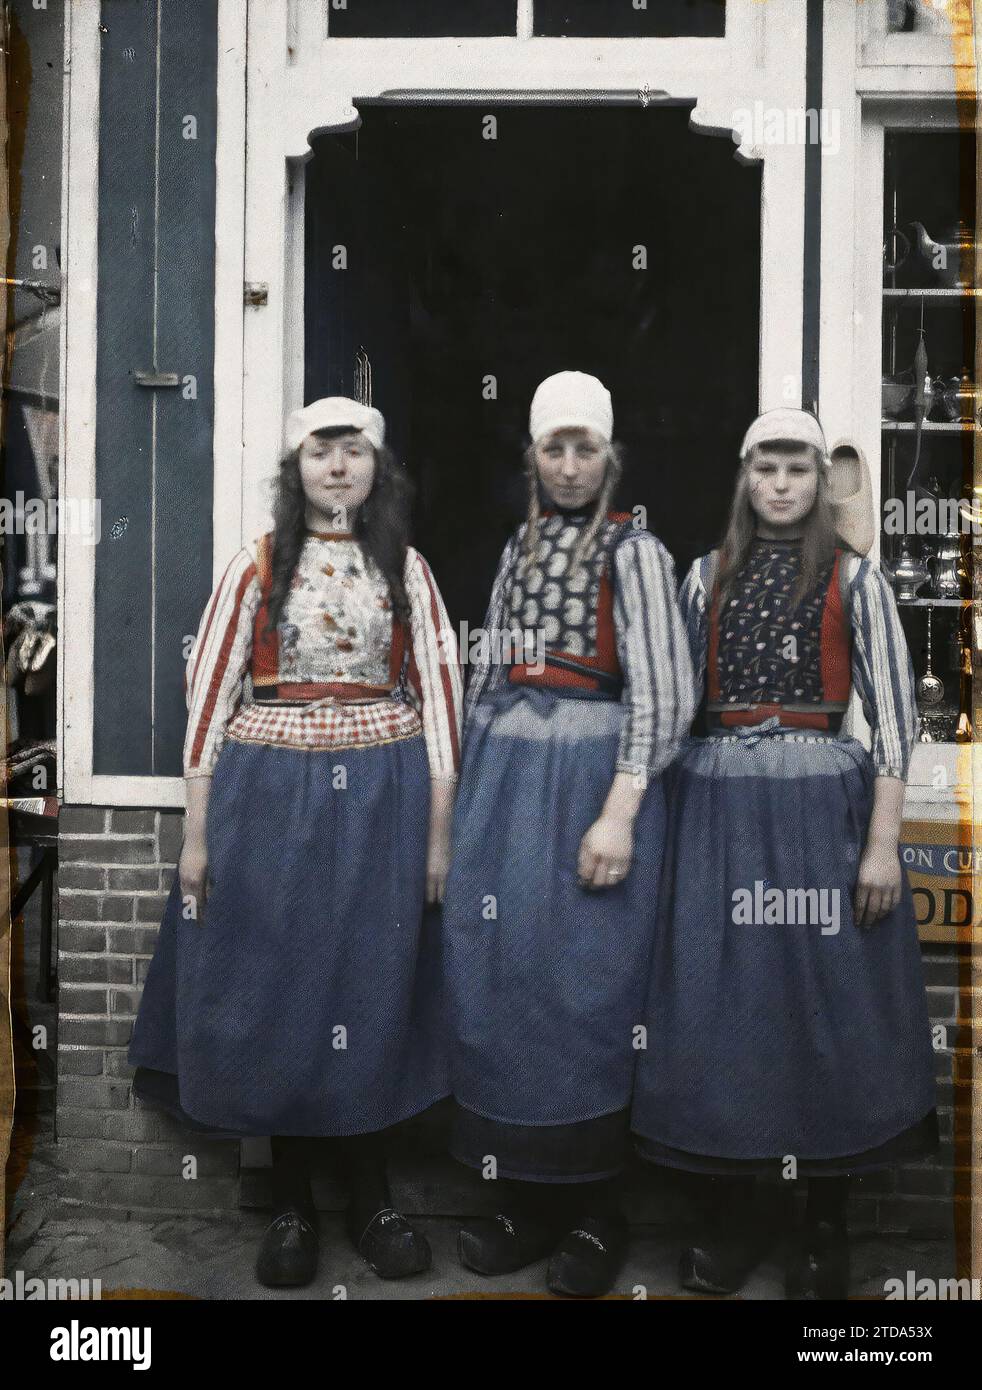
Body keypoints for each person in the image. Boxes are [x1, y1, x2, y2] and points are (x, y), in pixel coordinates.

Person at [127, 397, 462, 1287]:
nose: (339, 469)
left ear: (376, 471)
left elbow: (441, 709)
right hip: (269, 804)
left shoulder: (408, 571)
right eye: (322, 453)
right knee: (281, 986)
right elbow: (209, 701)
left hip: (381, 806)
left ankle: (372, 1196)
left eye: (355, 454)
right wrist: (197, 838)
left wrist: (437, 842)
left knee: (369, 981)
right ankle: (291, 1205)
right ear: (297, 468)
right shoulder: (257, 568)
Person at [631, 408, 938, 1300]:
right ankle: (738, 1219)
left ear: (816, 483)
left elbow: (891, 722)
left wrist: (884, 845)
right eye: (764, 469)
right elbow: (669, 708)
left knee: (824, 1011)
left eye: (797, 470)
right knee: (729, 1011)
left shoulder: (855, 580)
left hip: (822, 817)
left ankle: (824, 1229)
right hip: (721, 816)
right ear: (745, 479)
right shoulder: (703, 578)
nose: (779, 485)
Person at [442, 371, 694, 1297]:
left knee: (590, 989)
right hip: (510, 784)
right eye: (555, 446)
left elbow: (665, 695)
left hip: (591, 789)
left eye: (587, 446)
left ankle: (597, 1213)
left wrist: (620, 811)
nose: (571, 463)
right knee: (511, 980)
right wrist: (468, 797)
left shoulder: (637, 553)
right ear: (534, 457)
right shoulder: (518, 547)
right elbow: (490, 671)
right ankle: (528, 1204)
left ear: (610, 456)